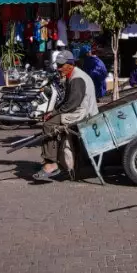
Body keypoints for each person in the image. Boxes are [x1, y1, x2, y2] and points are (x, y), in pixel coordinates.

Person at [34, 51, 99, 181]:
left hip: (81, 113)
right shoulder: (71, 76)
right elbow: (66, 101)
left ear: (70, 64)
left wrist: (53, 114)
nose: (58, 68)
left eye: (61, 65)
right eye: (58, 65)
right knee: (51, 120)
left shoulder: (77, 78)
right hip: (76, 110)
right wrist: (52, 112)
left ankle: (51, 164)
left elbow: (72, 104)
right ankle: (59, 161)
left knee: (48, 125)